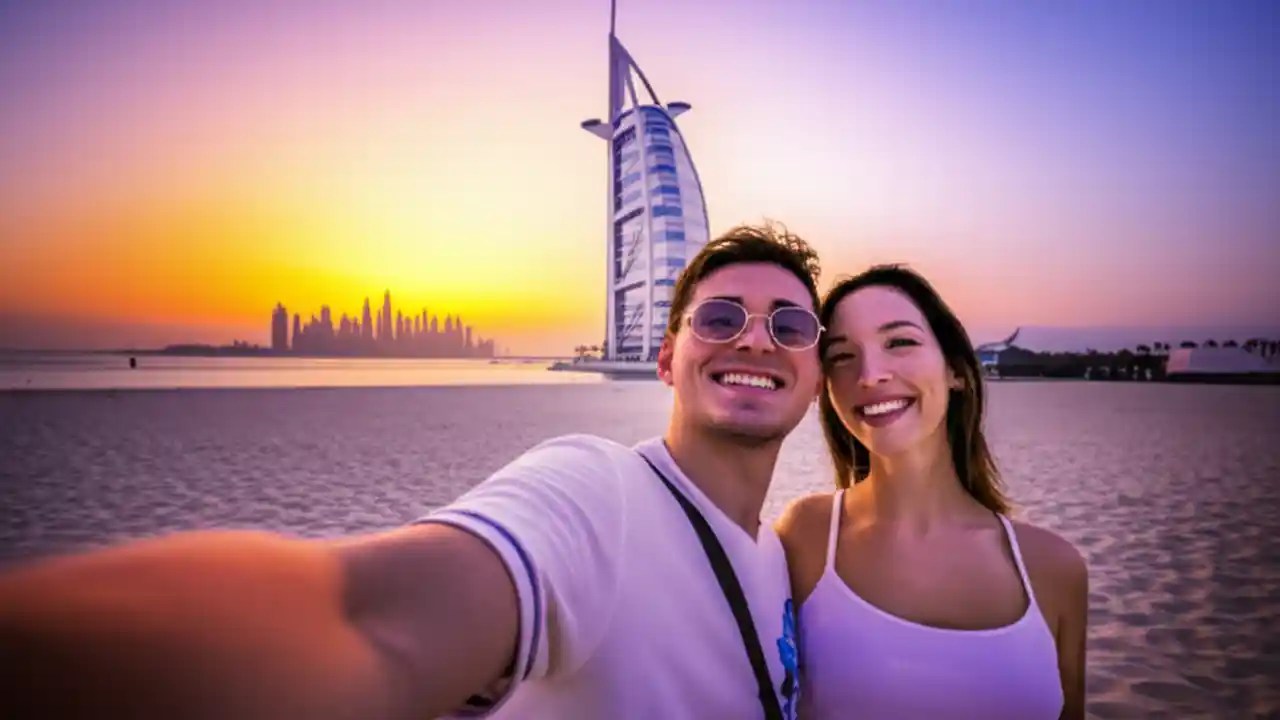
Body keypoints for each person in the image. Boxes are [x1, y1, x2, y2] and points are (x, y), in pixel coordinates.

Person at [0, 223, 825, 720]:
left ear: (818, 373)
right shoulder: (597, 495)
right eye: (720, 318)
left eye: (789, 325)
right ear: (666, 361)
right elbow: (365, 621)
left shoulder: (777, 562)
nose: (755, 340)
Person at [776, 265, 1088, 719]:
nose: (870, 374)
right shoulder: (805, 537)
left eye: (899, 342)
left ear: (956, 372)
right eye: (843, 356)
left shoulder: (1053, 568)